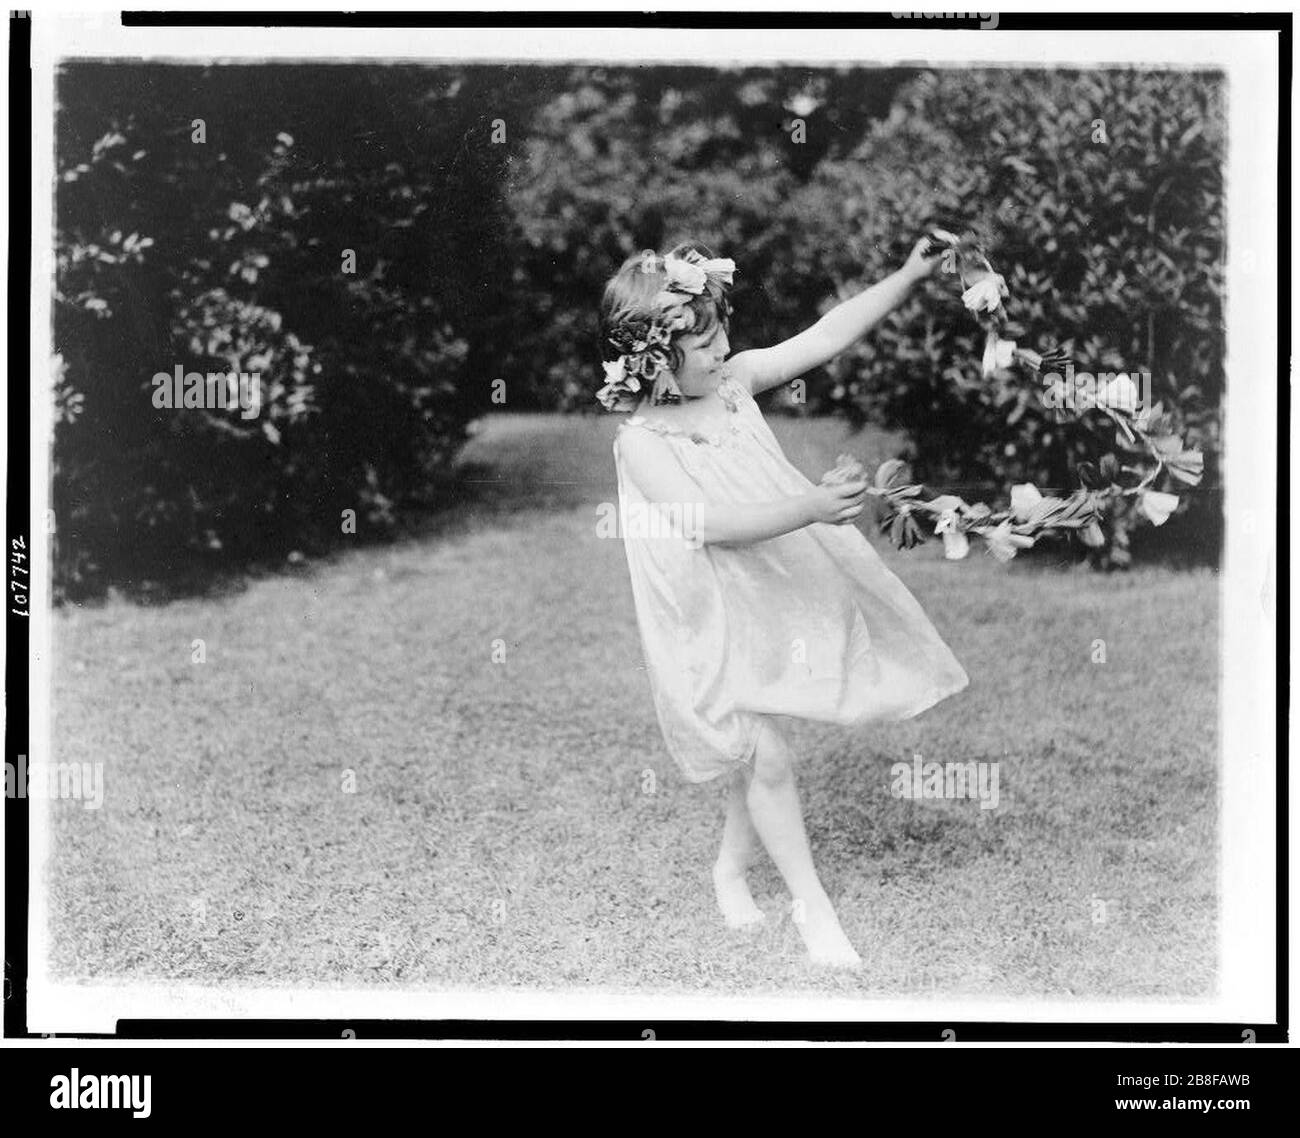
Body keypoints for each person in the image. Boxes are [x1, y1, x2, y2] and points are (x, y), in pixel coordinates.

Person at [602, 239, 968, 967]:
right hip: (706, 615)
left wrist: (907, 274)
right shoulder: (641, 440)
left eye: (721, 333)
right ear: (653, 358)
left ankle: (730, 869)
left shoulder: (733, 384)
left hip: (768, 593)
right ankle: (813, 907)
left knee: (758, 752)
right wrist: (807, 504)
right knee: (762, 753)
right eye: (704, 343)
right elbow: (705, 523)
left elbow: (826, 335)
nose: (724, 349)